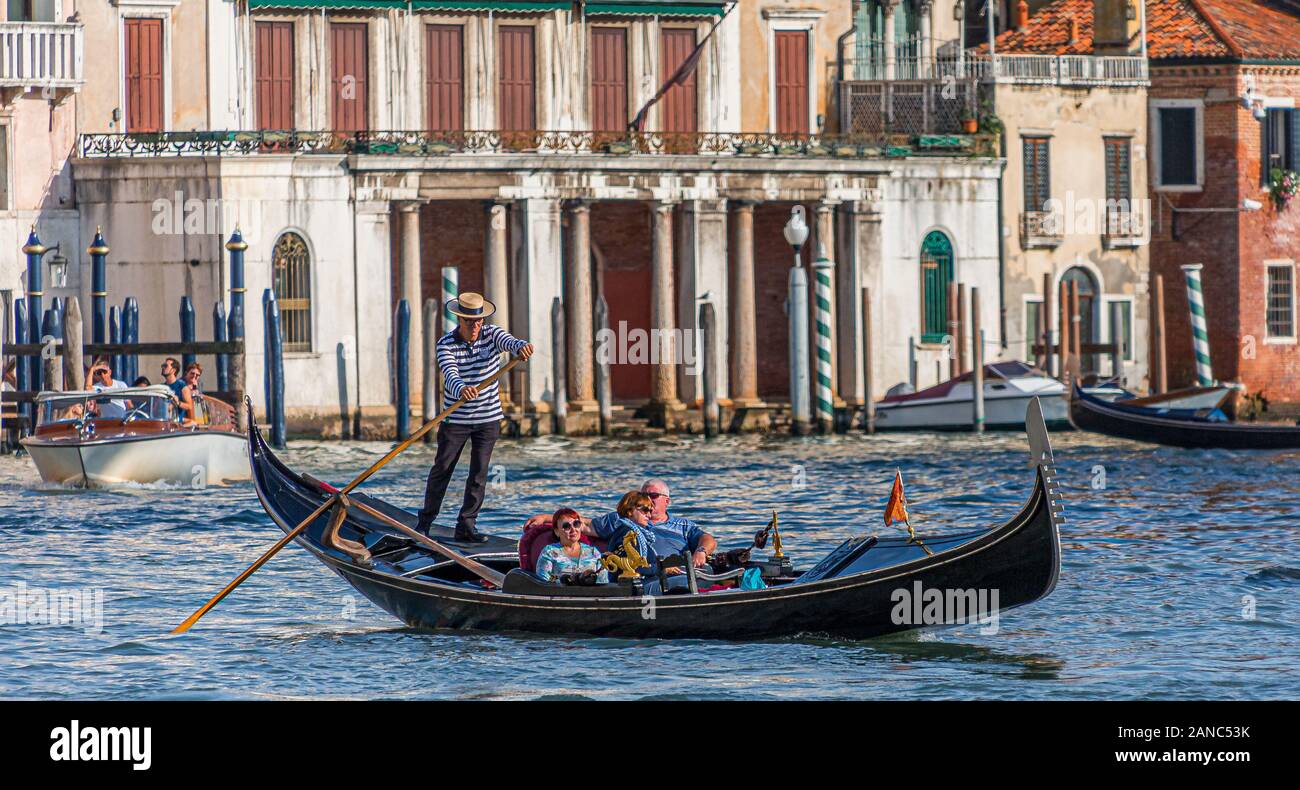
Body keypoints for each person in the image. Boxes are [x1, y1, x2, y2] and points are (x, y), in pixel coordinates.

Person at [416, 292, 534, 543]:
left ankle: (467, 525)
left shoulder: (492, 335)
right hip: (456, 419)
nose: (474, 327)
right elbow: (450, 372)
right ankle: (424, 522)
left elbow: (511, 342)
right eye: (470, 322)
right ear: (460, 320)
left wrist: (521, 347)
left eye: (478, 322)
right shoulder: (446, 343)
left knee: (479, 473)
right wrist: (461, 388)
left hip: (488, 418)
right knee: (443, 469)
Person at [525, 478, 717, 571]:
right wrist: (546, 518)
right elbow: (584, 525)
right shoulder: (621, 521)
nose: (649, 501)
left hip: (685, 571)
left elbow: (708, 539)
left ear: (667, 501)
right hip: (652, 576)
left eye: (654, 496)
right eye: (644, 497)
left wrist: (700, 551)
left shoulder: (682, 525)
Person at [534, 508, 609, 584]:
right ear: (557, 531)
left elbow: (603, 582)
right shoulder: (549, 552)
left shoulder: (593, 552)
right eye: (566, 526)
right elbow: (543, 582)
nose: (573, 529)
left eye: (576, 524)